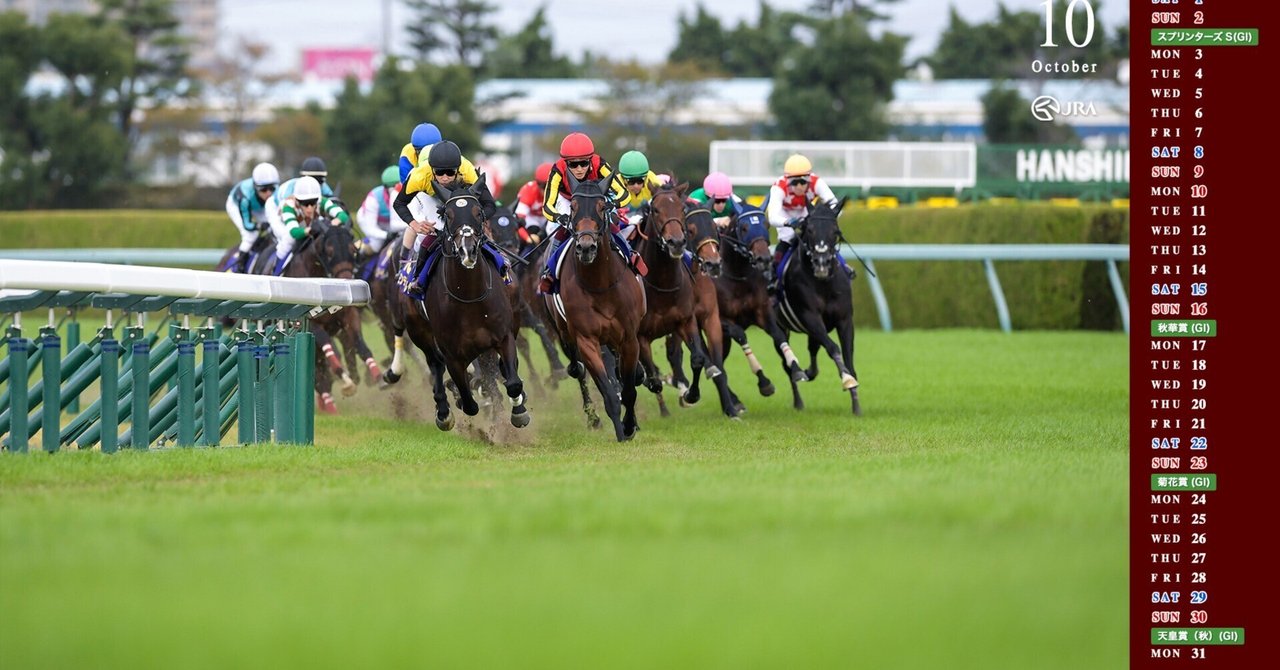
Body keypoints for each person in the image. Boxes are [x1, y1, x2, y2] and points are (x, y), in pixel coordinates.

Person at [538, 132, 643, 293]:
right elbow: (547, 206)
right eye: (573, 165)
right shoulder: (557, 170)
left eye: (583, 163)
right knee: (564, 229)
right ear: (565, 163)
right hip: (570, 200)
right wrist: (561, 218)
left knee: (610, 223)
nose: (579, 169)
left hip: (596, 197)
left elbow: (623, 194)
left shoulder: (599, 163)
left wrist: (611, 205)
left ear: (590, 159)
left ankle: (630, 255)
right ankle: (549, 272)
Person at [392, 140, 497, 298]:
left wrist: (475, 219)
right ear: (432, 170)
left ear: (458, 169)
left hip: (460, 195)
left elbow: (489, 205)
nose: (445, 177)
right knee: (437, 233)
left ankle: (503, 266)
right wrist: (415, 224)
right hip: (430, 197)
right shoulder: (419, 176)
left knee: (475, 232)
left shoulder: (468, 171)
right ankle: (418, 278)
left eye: (450, 172)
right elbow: (399, 203)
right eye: (440, 172)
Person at [765, 153, 843, 276]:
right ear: (787, 180)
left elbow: (836, 207)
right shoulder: (778, 188)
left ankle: (844, 267)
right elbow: (772, 217)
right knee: (787, 239)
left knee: (821, 239)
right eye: (794, 182)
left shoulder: (817, 182)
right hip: (785, 213)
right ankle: (773, 275)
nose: (799, 186)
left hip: (806, 210)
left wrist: (822, 220)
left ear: (809, 178)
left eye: (803, 181)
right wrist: (788, 222)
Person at [267, 175, 351, 276]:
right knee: (288, 240)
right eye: (305, 203)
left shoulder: (322, 201)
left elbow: (343, 216)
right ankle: (276, 273)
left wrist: (334, 222)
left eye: (313, 202)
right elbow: (294, 232)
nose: (310, 208)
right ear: (297, 200)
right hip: (283, 223)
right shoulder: (288, 207)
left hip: (305, 222)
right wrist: (309, 230)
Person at [224, 162, 279, 273]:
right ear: (255, 187)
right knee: (250, 236)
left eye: (272, 188)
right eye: (263, 190)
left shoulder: (278, 192)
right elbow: (248, 225)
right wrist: (259, 225)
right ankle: (240, 265)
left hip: (259, 206)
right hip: (236, 205)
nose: (269, 193)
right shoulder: (245, 198)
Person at [265, 157, 337, 234]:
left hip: (300, 209)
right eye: (312, 178)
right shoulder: (292, 190)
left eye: (319, 180)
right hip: (276, 207)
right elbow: (289, 211)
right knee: (286, 237)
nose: (314, 183)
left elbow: (331, 200)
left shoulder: (323, 187)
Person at [614, 150, 666, 236]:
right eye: (631, 182)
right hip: (623, 223)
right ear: (623, 179)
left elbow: (666, 196)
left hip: (647, 220)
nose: (636, 186)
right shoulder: (615, 184)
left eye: (640, 181)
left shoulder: (651, 179)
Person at [356, 165, 402, 257]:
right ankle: (356, 253)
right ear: (385, 187)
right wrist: (385, 235)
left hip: (389, 222)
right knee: (377, 244)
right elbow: (371, 229)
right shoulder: (374, 199)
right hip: (367, 221)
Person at [514, 162, 553, 244]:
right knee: (533, 230)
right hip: (532, 219)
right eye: (543, 186)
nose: (546, 191)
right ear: (537, 184)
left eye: (550, 186)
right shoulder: (528, 191)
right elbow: (518, 221)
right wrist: (527, 237)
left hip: (550, 220)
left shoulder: (561, 192)